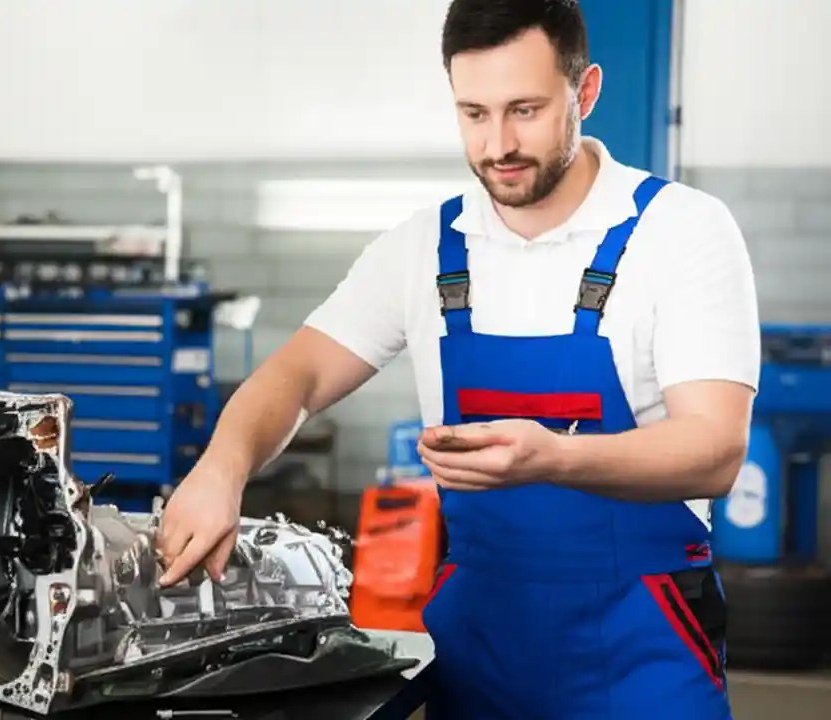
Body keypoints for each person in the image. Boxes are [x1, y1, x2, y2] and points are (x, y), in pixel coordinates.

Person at [156, 0, 758, 717]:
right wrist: (221, 470)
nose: (498, 143)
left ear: (585, 92)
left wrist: (552, 460)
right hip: (480, 652)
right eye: (473, 113)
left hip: (643, 654)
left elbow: (715, 448)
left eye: (525, 110)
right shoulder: (427, 248)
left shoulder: (681, 232)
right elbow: (299, 375)